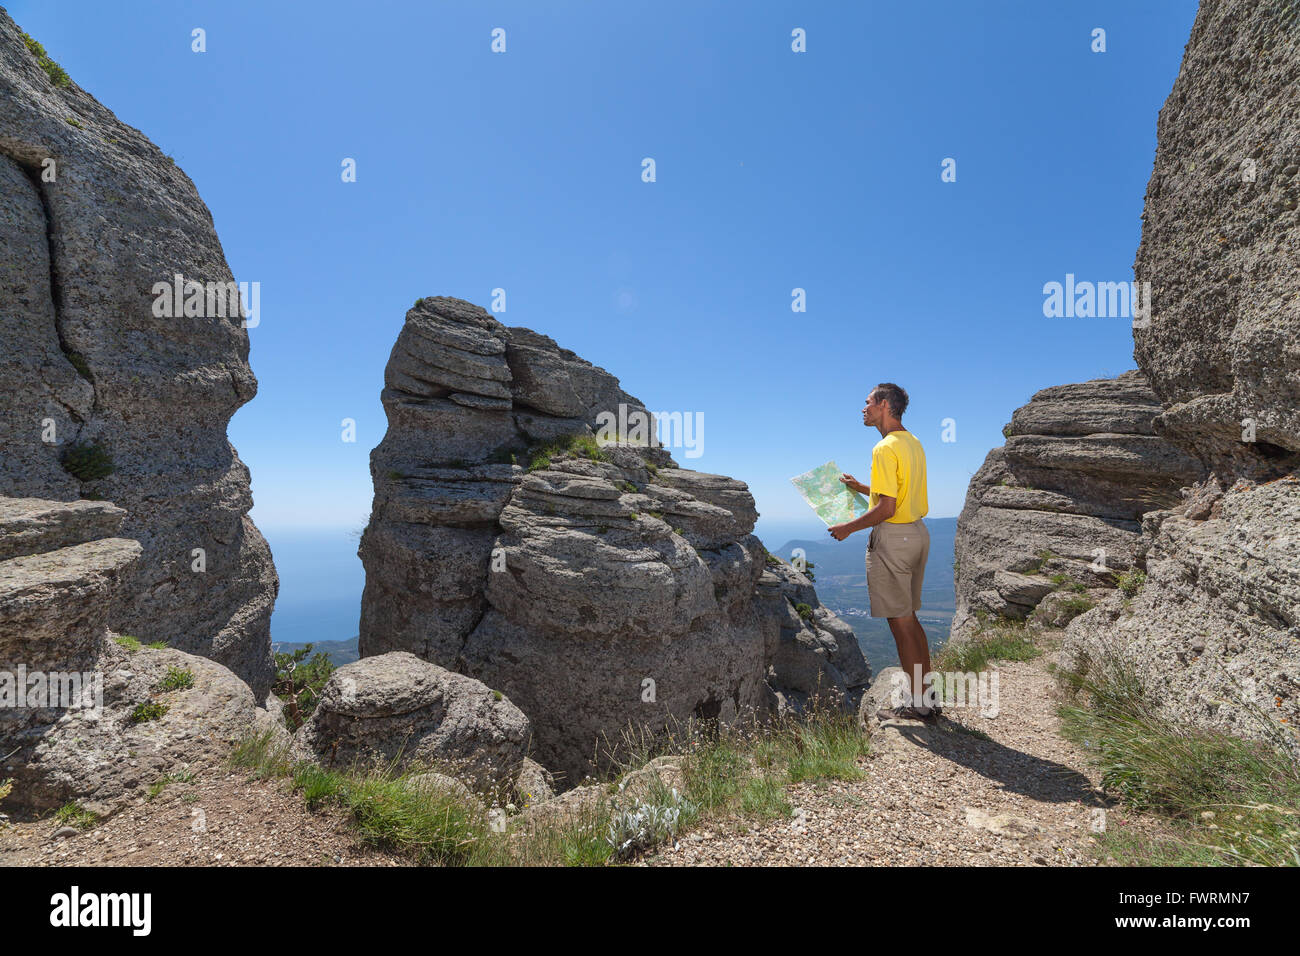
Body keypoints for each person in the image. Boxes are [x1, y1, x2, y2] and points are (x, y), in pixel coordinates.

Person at [827, 383, 936, 721]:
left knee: (899, 624)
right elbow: (898, 492)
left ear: (885, 405)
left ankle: (917, 706)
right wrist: (862, 488)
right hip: (917, 534)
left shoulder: (884, 448)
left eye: (869, 402)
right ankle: (928, 699)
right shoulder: (911, 442)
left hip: (893, 539)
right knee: (911, 620)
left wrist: (847, 528)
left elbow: (887, 508)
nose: (863, 408)